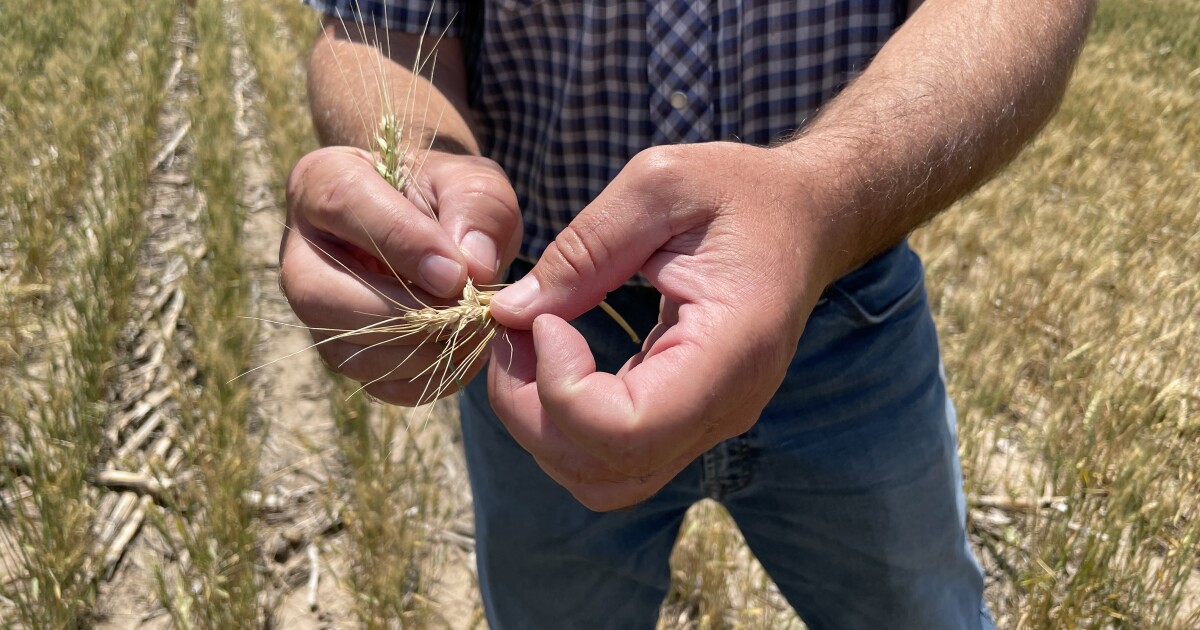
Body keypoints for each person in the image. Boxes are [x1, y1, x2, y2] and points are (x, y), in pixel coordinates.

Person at [283, 1, 1094, 628]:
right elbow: (379, 26)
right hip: (539, 351)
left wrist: (822, 198)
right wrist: (420, 178)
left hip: (847, 317)